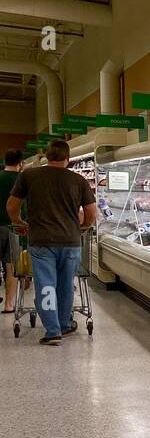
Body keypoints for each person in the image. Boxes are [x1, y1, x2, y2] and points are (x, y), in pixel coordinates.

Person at [7, 139, 95, 345]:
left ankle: (53, 331)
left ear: (46, 156)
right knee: (66, 285)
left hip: (41, 240)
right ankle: (64, 324)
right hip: (70, 241)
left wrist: (17, 221)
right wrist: (83, 227)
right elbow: (91, 212)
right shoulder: (78, 180)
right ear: (68, 158)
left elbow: (12, 205)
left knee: (46, 284)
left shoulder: (29, 176)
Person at [0, 149, 22, 314]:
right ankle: (8, 304)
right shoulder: (23, 179)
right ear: (20, 163)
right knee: (11, 266)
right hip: (16, 227)